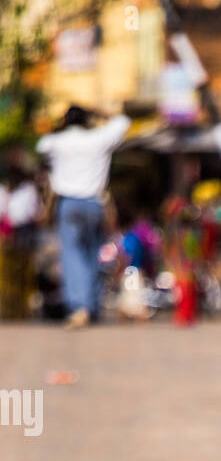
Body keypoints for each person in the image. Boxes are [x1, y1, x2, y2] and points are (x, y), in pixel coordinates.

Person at [36, 104, 130, 328]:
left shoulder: (58, 142)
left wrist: (59, 127)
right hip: (94, 203)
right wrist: (100, 113)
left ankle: (79, 307)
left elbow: (42, 145)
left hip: (68, 204)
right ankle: (91, 306)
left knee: (72, 255)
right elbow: (123, 122)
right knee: (92, 254)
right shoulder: (97, 139)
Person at [0, 165, 41, 320]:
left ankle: (23, 310)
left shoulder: (28, 191)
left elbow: (33, 214)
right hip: (5, 231)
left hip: (24, 231)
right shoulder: (3, 191)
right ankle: (6, 310)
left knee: (24, 272)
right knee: (6, 274)